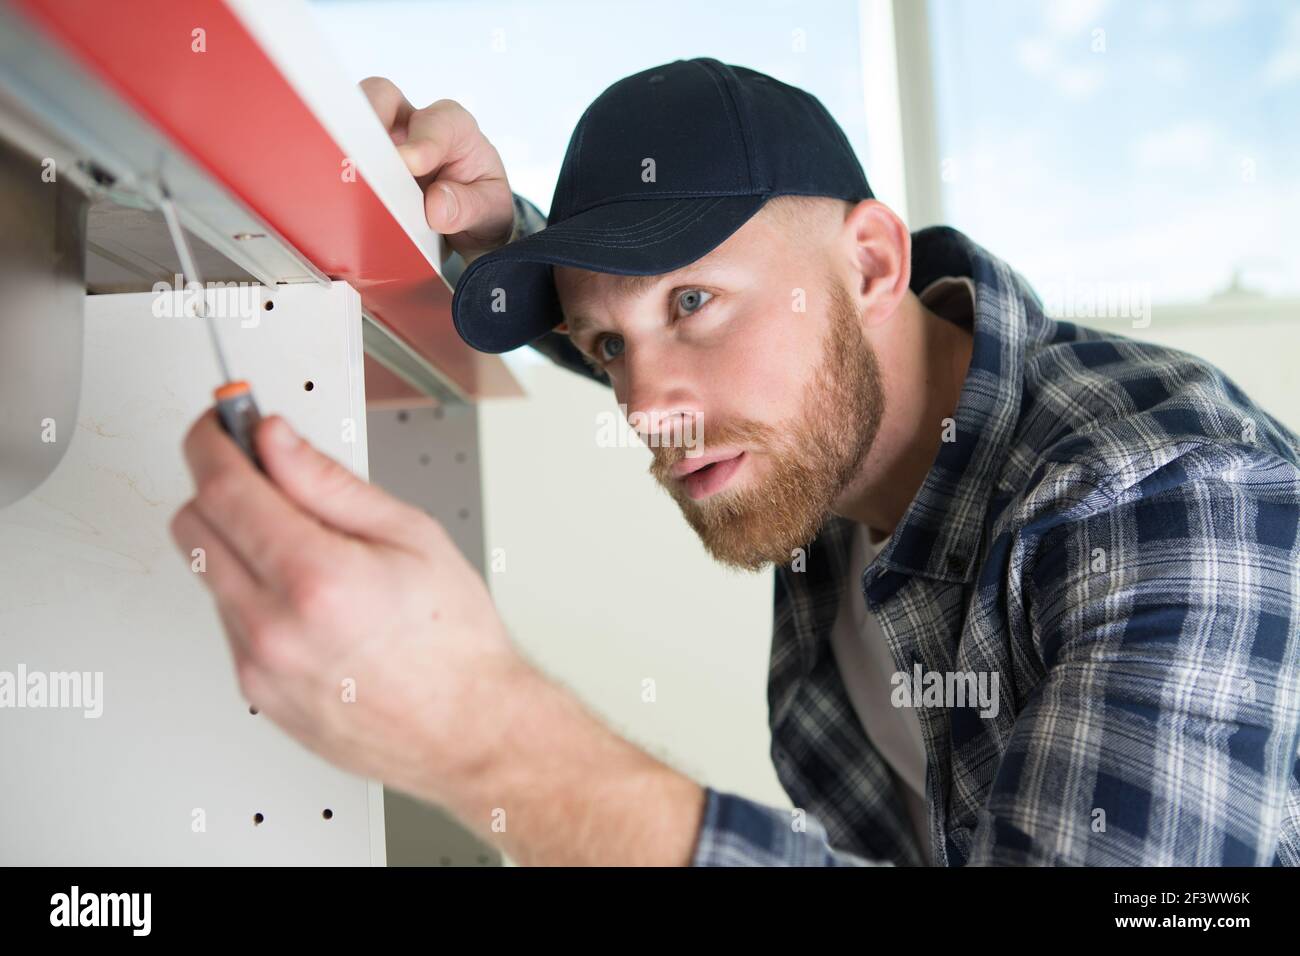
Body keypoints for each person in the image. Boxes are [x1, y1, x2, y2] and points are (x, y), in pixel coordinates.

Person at [171, 58, 1300, 866]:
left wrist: (487, 734)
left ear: (867, 263)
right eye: (608, 345)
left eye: (696, 300)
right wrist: (484, 241)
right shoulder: (811, 437)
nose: (647, 408)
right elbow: (659, 351)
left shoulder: (1169, 502)